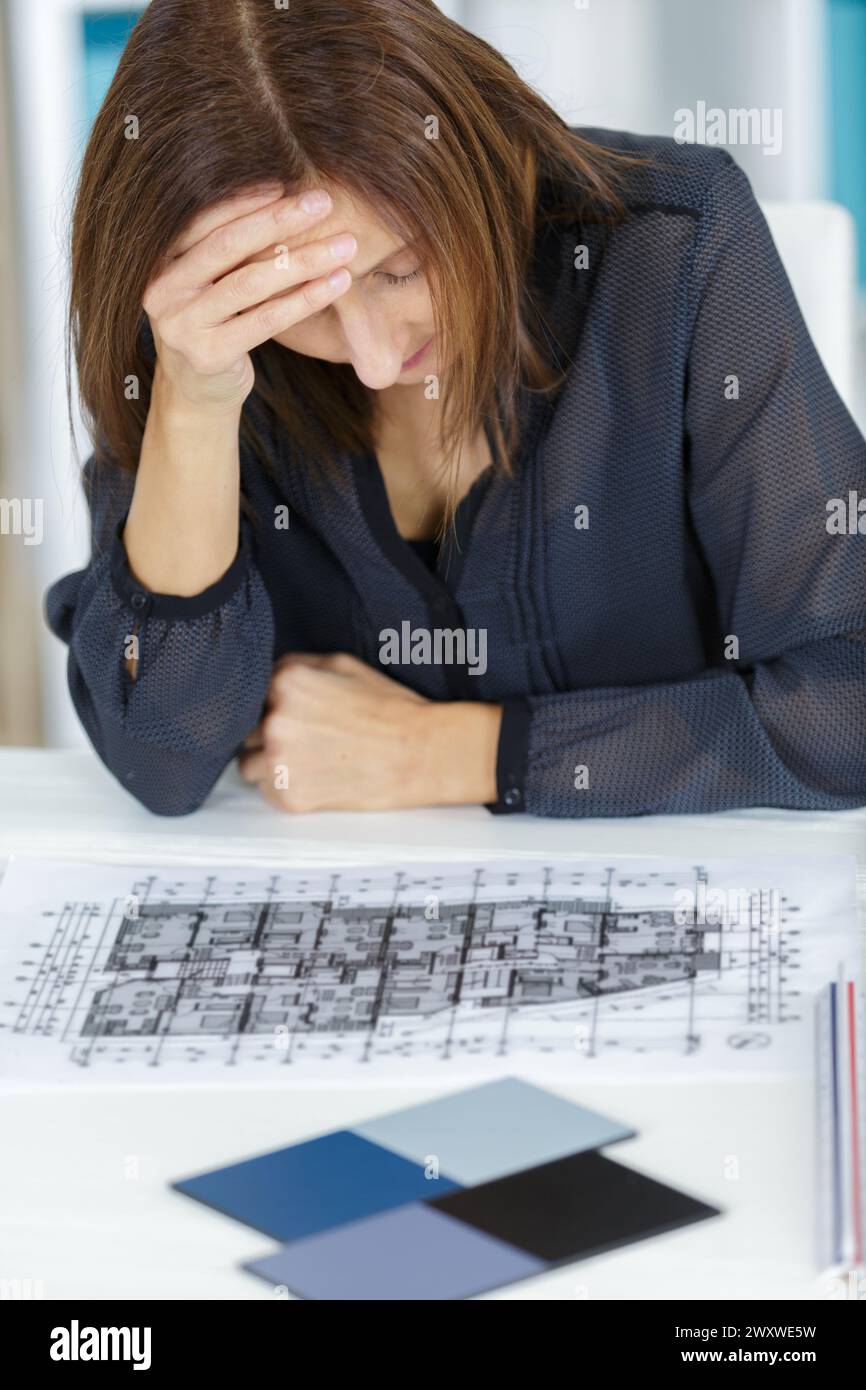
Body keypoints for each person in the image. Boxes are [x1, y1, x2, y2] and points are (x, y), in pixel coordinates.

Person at [46, 0, 866, 818]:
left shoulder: (673, 246)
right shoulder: (204, 327)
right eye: (303, 306)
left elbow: (849, 700)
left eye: (400, 270)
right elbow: (161, 762)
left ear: (479, 162)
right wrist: (192, 405)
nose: (372, 358)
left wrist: (457, 754)